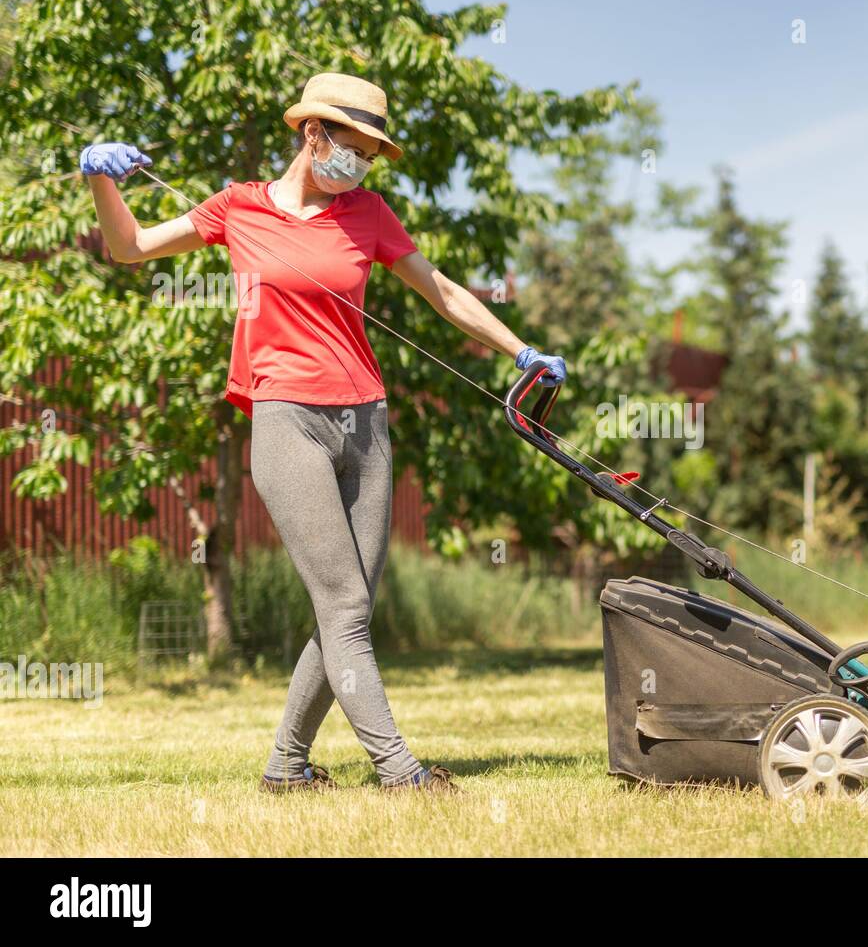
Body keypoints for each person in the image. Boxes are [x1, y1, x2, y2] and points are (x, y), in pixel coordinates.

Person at [79, 72, 566, 795]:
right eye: (355, 147)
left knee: (348, 610)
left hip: (366, 424)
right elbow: (130, 249)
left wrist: (518, 349)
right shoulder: (237, 206)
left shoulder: (368, 213)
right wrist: (101, 182)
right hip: (287, 423)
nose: (362, 164)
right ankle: (400, 773)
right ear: (315, 134)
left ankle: (285, 768)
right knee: (345, 609)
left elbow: (444, 291)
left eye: (372, 153)